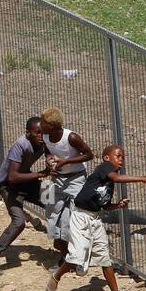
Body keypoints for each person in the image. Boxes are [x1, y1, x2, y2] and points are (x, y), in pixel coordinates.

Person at [44, 144, 146, 291]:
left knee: (104, 257)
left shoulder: (108, 182)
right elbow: (116, 178)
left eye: (123, 157)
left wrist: (117, 205)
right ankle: (56, 277)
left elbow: (102, 204)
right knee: (77, 254)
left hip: (95, 219)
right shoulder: (104, 169)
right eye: (118, 156)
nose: (121, 159)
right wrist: (141, 178)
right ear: (107, 158)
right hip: (80, 216)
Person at [0, 115, 47, 276]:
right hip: (9, 186)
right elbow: (13, 177)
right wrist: (41, 174)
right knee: (19, 222)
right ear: (28, 132)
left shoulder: (44, 141)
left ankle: (67, 252)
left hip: (26, 181)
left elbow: (50, 153)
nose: (41, 136)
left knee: (55, 202)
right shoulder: (20, 145)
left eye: (43, 132)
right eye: (37, 132)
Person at [38, 107, 92, 267]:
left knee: (72, 218)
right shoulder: (46, 136)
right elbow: (47, 150)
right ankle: (65, 252)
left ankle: (73, 257)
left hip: (76, 180)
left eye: (43, 122)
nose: (40, 125)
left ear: (53, 125)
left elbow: (89, 155)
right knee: (52, 213)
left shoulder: (72, 137)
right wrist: (49, 160)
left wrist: (66, 161)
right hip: (58, 179)